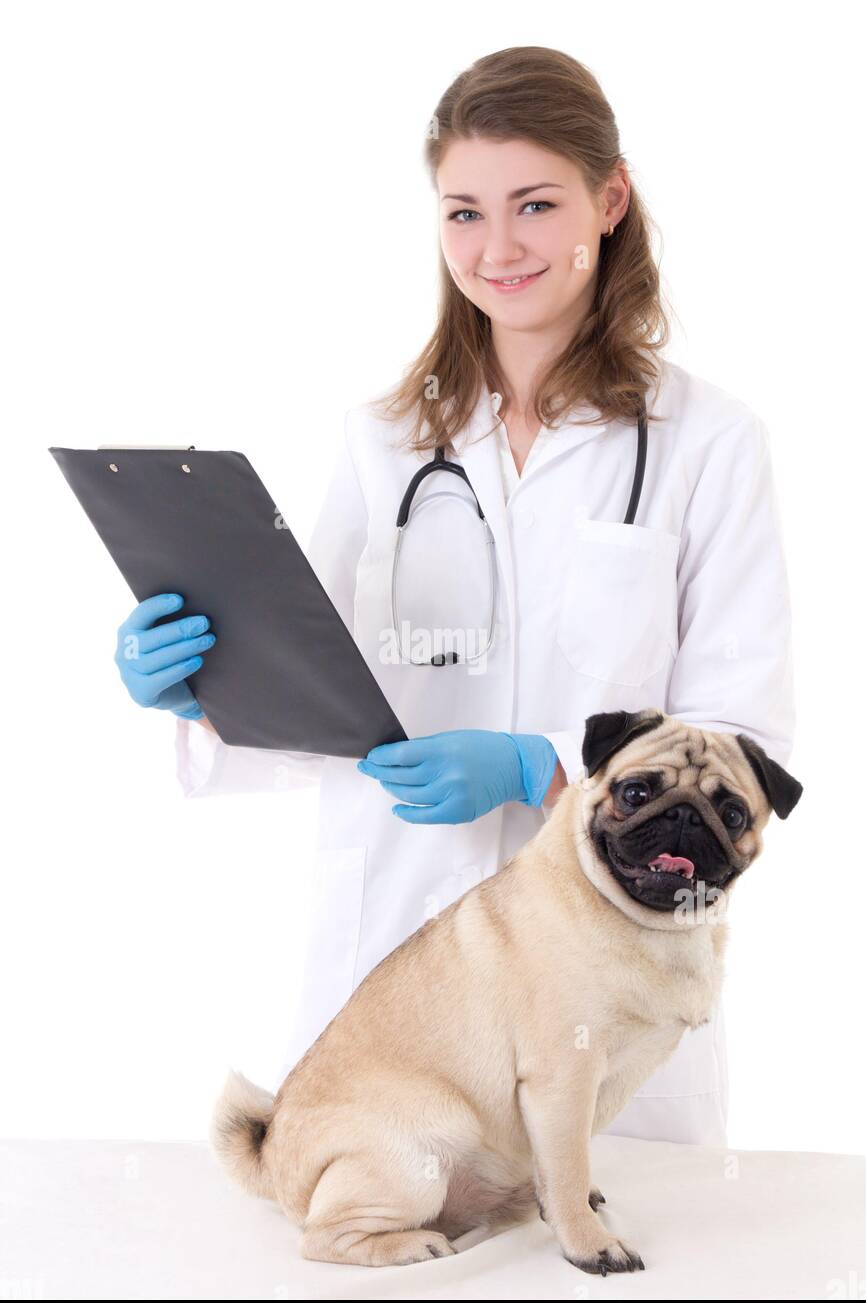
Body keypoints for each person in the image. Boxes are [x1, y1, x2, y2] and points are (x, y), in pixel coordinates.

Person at [115, 47, 795, 1147]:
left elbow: (743, 738)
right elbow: (323, 695)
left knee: (604, 1247)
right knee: (382, 1233)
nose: (496, 248)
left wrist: (545, 767)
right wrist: (206, 688)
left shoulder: (704, 444)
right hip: (401, 974)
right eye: (462, 211)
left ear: (608, 200)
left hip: (605, 965)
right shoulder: (386, 439)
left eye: (534, 205)